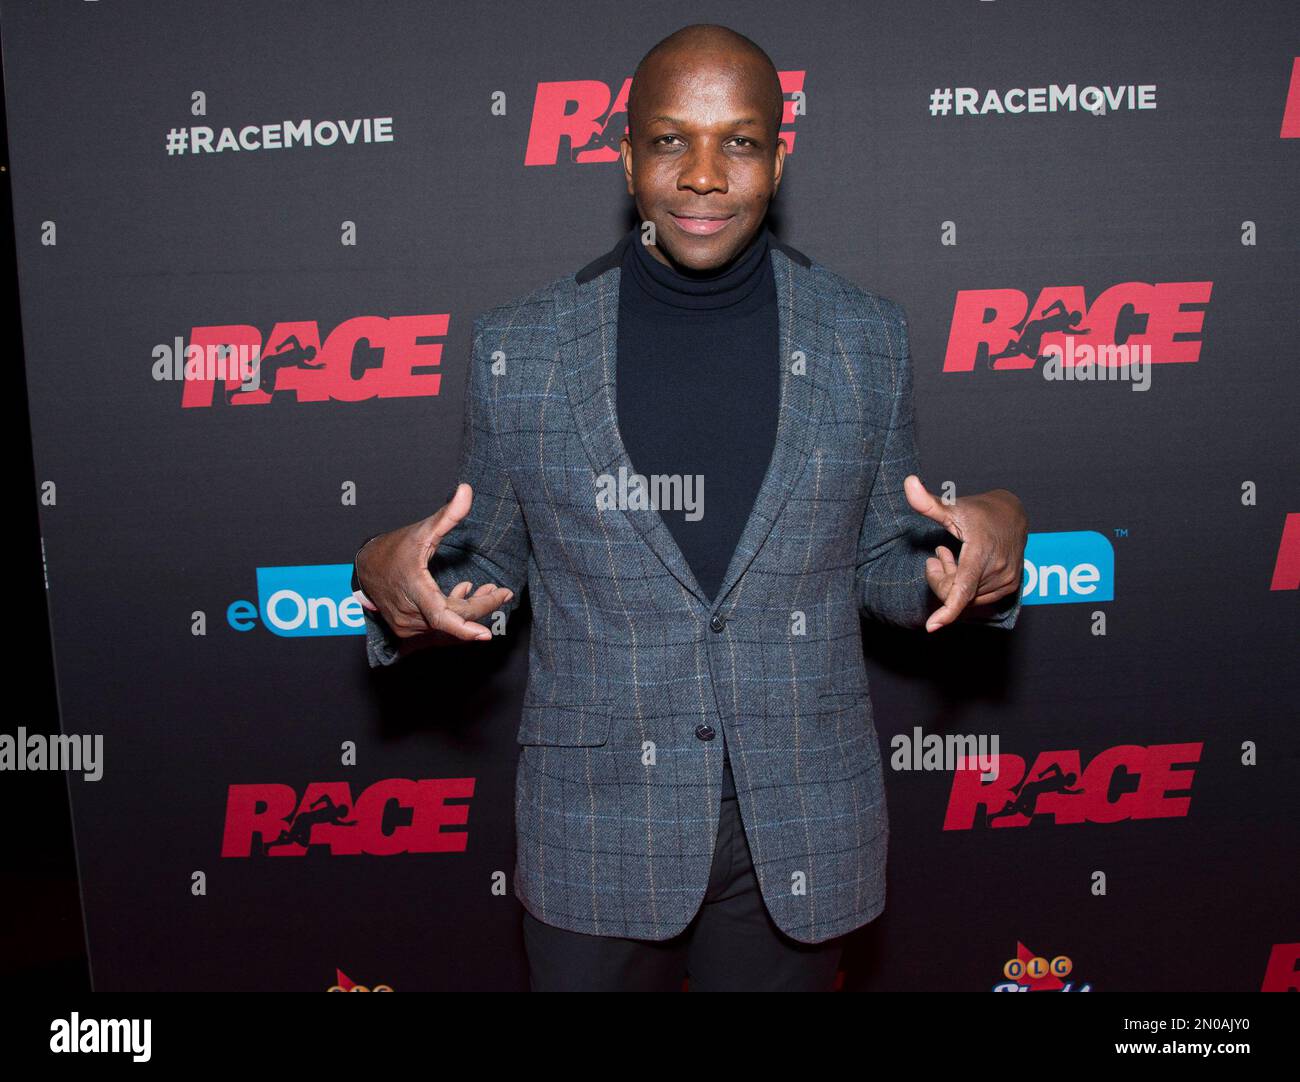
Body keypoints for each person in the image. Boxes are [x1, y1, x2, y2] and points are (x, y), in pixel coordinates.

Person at [353, 23, 1028, 992]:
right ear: (627, 157)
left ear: (778, 159)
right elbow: (485, 561)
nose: (704, 174)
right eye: (670, 139)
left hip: (799, 826)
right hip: (597, 828)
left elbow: (884, 556)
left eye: (739, 141)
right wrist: (390, 581)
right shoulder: (523, 345)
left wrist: (975, 552)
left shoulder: (862, 335)